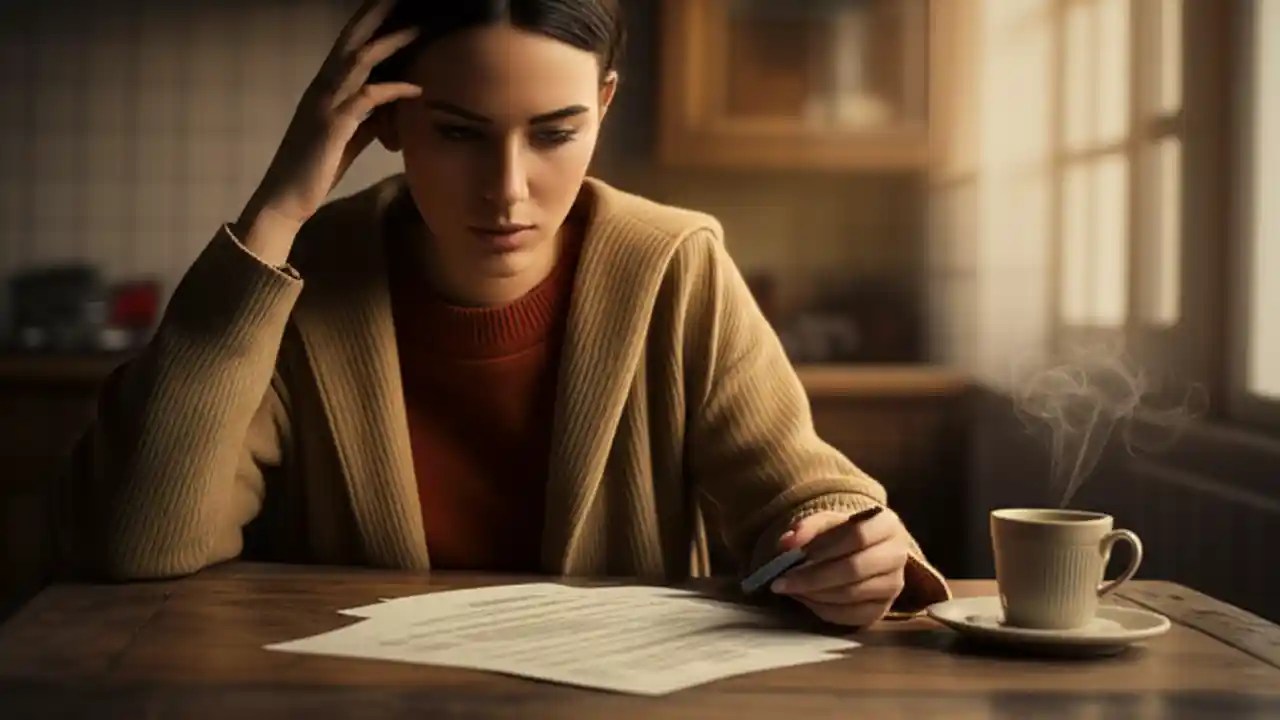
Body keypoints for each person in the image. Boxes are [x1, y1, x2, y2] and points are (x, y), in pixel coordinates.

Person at [55, 0, 949, 628]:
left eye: (556, 133)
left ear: (602, 105)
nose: (509, 192)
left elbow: (804, 490)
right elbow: (142, 537)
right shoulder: (308, 274)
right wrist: (280, 207)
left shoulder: (673, 266)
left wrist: (845, 544)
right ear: (385, 121)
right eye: (458, 132)